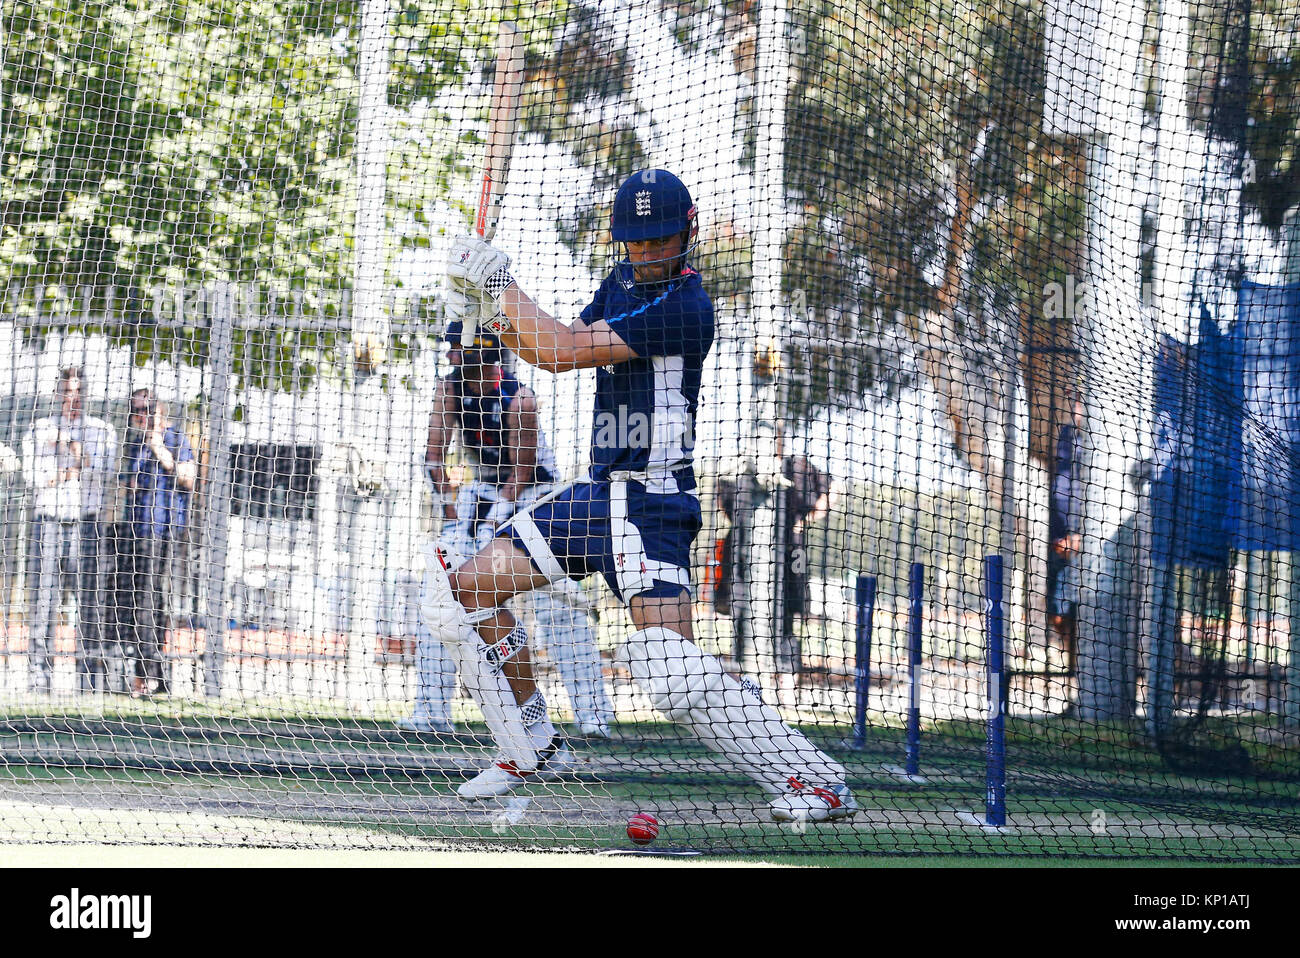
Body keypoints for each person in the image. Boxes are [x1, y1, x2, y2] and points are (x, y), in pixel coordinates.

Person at [433, 168, 856, 822]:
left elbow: (562, 350)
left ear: (687, 233)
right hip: (599, 496)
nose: (648, 254)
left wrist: (495, 283)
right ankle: (532, 739)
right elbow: (538, 341)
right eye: (637, 243)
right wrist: (486, 310)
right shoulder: (621, 282)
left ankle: (814, 781)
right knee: (462, 592)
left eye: (660, 241)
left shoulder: (688, 306)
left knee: (669, 670)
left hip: (652, 504)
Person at [402, 325, 615, 737]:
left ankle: (594, 716)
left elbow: (522, 469)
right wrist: (451, 511)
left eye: (456, 349)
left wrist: (497, 517)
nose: (449, 356)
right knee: (442, 593)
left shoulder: (520, 397)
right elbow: (433, 457)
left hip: (536, 497)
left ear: (482, 352)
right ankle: (430, 711)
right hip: (480, 494)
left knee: (560, 609)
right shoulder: (449, 391)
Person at [20, 366, 119, 693]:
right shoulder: (38, 429)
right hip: (47, 521)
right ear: (57, 393)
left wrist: (71, 447)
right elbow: (35, 480)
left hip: (86, 523)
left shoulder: (100, 429)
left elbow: (101, 473)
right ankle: (40, 678)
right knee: (44, 602)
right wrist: (73, 470)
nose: (71, 397)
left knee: (89, 604)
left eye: (77, 391)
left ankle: (89, 680)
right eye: (66, 391)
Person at [119, 390, 196, 696]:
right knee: (138, 601)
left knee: (150, 600)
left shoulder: (175, 438)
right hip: (134, 529)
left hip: (161, 529)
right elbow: (127, 482)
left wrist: (161, 451)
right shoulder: (134, 444)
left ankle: (149, 674)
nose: (142, 417)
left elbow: (190, 478)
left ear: (161, 412)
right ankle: (151, 674)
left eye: (147, 410)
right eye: (137, 411)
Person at [1048, 396, 1083, 671]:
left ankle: (1082, 671)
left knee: (1083, 611)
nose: (1075, 410)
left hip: (1084, 540)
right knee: (1058, 613)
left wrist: (1081, 535)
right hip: (1059, 540)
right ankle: (1075, 670)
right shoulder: (1068, 436)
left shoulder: (1099, 443)